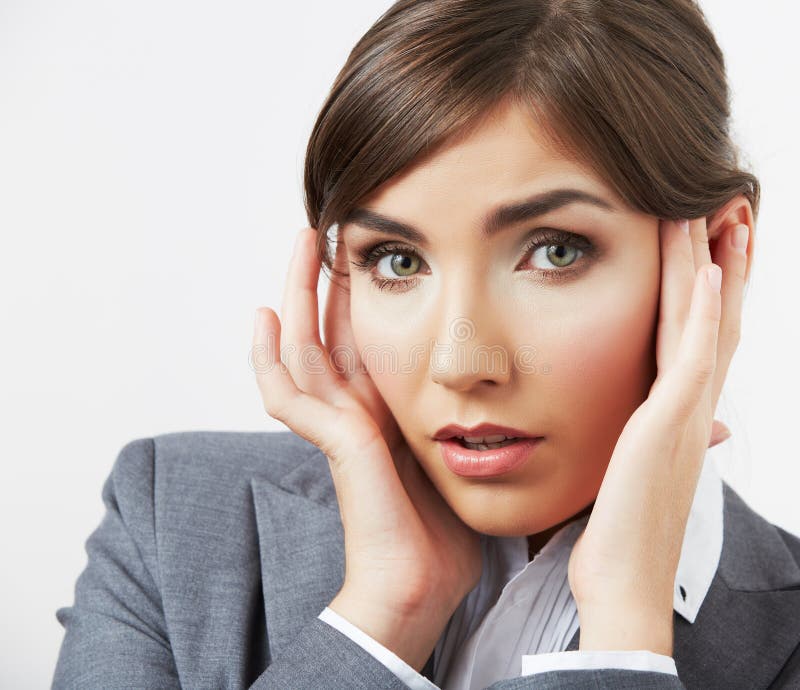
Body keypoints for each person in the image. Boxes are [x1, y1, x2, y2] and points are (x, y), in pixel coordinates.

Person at [52, 1, 800, 688]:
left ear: (716, 256)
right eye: (397, 261)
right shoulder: (173, 524)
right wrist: (382, 611)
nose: (458, 363)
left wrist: (625, 632)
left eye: (556, 251)